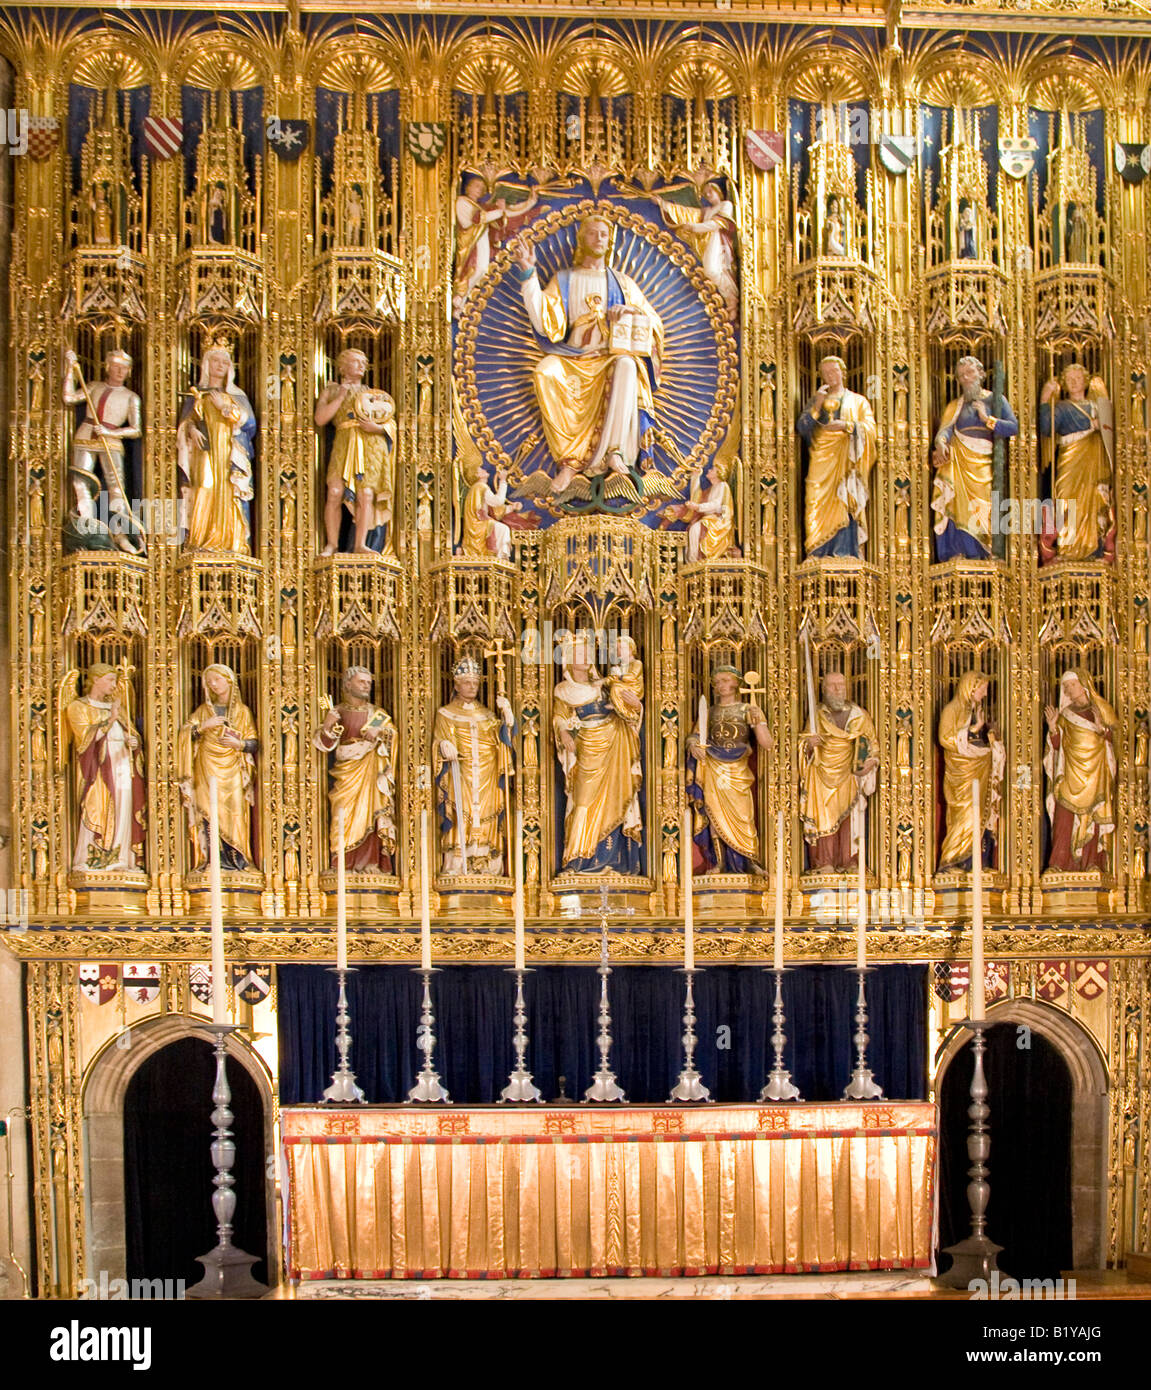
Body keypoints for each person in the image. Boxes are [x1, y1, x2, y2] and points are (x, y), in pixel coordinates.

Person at [514, 214, 663, 494]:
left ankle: (614, 452)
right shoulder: (566, 280)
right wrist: (528, 275)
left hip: (609, 357)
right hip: (574, 356)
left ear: (610, 242)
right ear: (582, 239)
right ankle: (570, 461)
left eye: (604, 234)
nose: (598, 239)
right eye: (592, 233)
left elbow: (653, 322)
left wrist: (630, 311)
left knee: (627, 366)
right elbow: (545, 320)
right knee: (545, 371)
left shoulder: (623, 284)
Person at [553, 635, 644, 874]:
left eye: (587, 653)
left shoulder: (604, 686)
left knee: (617, 796)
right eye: (579, 654)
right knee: (582, 801)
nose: (585, 657)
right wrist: (563, 732)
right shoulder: (563, 690)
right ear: (568, 660)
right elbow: (559, 717)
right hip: (585, 747)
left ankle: (614, 862)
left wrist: (636, 705)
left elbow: (627, 710)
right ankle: (578, 860)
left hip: (615, 743)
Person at [432, 656, 515, 875]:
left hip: (487, 773)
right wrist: (443, 745)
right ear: (456, 684)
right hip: (461, 772)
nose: (472, 687)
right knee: (462, 810)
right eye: (467, 682)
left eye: (476, 683)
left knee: (487, 812)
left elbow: (503, 741)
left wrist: (507, 716)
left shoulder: (487, 714)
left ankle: (487, 860)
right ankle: (459, 861)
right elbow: (439, 739)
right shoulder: (445, 713)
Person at [686, 666, 773, 873]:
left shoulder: (746, 709)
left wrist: (758, 719)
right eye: (717, 682)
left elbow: (767, 743)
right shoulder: (710, 711)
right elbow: (695, 735)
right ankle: (720, 861)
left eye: (725, 680)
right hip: (714, 767)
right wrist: (692, 744)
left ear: (736, 683)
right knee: (715, 813)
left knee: (744, 815)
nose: (721, 685)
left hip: (738, 770)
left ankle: (749, 859)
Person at [931, 355, 1018, 560]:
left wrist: (988, 420)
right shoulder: (955, 405)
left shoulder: (995, 400)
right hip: (959, 462)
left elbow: (1013, 427)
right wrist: (941, 443)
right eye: (961, 376)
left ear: (981, 373)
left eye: (970, 373)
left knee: (983, 507)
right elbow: (945, 430)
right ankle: (957, 551)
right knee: (955, 503)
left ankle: (984, 552)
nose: (966, 378)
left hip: (983, 463)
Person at [62, 664, 146, 872]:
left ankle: (122, 856)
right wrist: (111, 718)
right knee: (97, 807)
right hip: (98, 770)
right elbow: (84, 742)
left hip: (123, 766)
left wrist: (134, 741)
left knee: (124, 807)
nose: (114, 685)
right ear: (96, 680)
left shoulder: (119, 708)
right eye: (110, 680)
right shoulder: (79, 707)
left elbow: (132, 734)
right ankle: (92, 858)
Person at [316, 348, 396, 557]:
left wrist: (377, 428)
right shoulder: (332, 390)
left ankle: (360, 545)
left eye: (364, 362)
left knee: (366, 494)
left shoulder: (373, 394)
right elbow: (321, 419)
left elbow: (391, 423)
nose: (362, 366)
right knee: (335, 492)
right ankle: (332, 544)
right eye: (356, 362)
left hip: (369, 445)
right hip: (344, 442)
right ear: (342, 366)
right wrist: (341, 395)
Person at [178, 664, 258, 871]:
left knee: (234, 810)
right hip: (206, 766)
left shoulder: (242, 712)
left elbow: (253, 742)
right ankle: (215, 858)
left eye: (217, 679)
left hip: (232, 768)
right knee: (209, 809)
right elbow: (186, 733)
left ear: (229, 680)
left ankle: (237, 858)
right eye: (209, 682)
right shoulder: (204, 711)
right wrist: (203, 726)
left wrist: (239, 745)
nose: (213, 684)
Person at [62, 348, 143, 554]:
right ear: (107, 367)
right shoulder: (94, 386)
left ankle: (120, 535)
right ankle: (87, 524)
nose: (119, 371)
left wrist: (109, 431)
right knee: (80, 481)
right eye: (115, 367)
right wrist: (70, 369)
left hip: (112, 439)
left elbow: (136, 429)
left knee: (116, 486)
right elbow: (69, 398)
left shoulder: (131, 397)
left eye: (123, 368)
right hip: (86, 436)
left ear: (129, 371)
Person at [796, 355, 876, 558]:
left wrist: (847, 426)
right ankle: (817, 550)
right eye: (826, 373)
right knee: (815, 498)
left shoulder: (858, 402)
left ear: (843, 372)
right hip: (820, 459)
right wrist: (816, 407)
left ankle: (845, 551)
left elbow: (871, 430)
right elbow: (802, 428)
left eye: (834, 371)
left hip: (846, 460)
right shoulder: (817, 401)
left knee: (845, 498)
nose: (831, 376)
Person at [177, 346, 255, 554]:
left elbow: (250, 426)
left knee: (230, 490)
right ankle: (199, 541)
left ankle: (231, 542)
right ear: (206, 365)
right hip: (204, 450)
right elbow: (187, 420)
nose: (220, 366)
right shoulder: (196, 394)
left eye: (224, 362)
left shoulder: (236, 395)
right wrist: (191, 428)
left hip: (229, 451)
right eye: (216, 361)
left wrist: (225, 408)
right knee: (203, 486)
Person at [799, 671, 877, 871]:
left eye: (841, 685)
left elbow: (873, 745)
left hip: (850, 774)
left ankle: (850, 861)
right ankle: (824, 862)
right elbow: (803, 744)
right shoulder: (817, 715)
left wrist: (870, 762)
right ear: (824, 690)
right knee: (823, 817)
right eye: (832, 686)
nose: (837, 690)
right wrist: (809, 744)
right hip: (821, 774)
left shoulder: (860, 716)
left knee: (851, 817)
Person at [1038, 365, 1115, 563]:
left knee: (1094, 499)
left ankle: (1095, 549)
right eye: (1069, 379)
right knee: (1065, 499)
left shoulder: (1097, 405)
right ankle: (1068, 548)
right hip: (1070, 458)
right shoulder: (1061, 407)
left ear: (1086, 380)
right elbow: (1047, 428)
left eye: (1078, 378)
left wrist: (1101, 424)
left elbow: (1109, 431)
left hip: (1093, 458)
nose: (1073, 382)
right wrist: (1045, 399)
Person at [1044, 669, 1116, 873]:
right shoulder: (1065, 715)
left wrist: (1102, 729)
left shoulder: (1100, 710)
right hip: (1070, 774)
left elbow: (1116, 742)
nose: (1067, 691)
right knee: (1064, 818)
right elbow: (1057, 747)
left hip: (1095, 774)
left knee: (1092, 817)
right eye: (1065, 687)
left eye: (1071, 685)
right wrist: (1052, 728)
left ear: (1083, 684)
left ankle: (1092, 863)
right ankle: (1059, 863)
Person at [937, 671, 1005, 871]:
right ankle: (953, 861)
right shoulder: (953, 709)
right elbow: (944, 738)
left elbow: (983, 741)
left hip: (981, 770)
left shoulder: (977, 710)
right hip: (962, 774)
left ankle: (978, 862)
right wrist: (974, 729)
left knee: (982, 812)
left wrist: (990, 734)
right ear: (971, 688)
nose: (984, 694)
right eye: (983, 689)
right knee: (966, 814)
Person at [658, 181, 738, 318]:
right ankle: (731, 300)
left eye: (710, 191)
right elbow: (685, 212)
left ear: (718, 191)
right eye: (705, 194)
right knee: (712, 270)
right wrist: (662, 204)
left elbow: (716, 224)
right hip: (708, 241)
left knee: (715, 270)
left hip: (719, 240)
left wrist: (694, 227)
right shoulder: (707, 211)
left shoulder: (726, 205)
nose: (708, 195)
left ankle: (732, 300)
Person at [680, 458, 735, 562]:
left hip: (720, 521)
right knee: (694, 528)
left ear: (719, 473)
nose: (709, 470)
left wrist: (697, 507)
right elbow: (697, 495)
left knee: (695, 529)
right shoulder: (712, 488)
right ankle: (693, 560)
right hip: (711, 519)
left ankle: (695, 560)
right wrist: (696, 477)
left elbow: (716, 504)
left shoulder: (722, 485)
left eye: (712, 469)